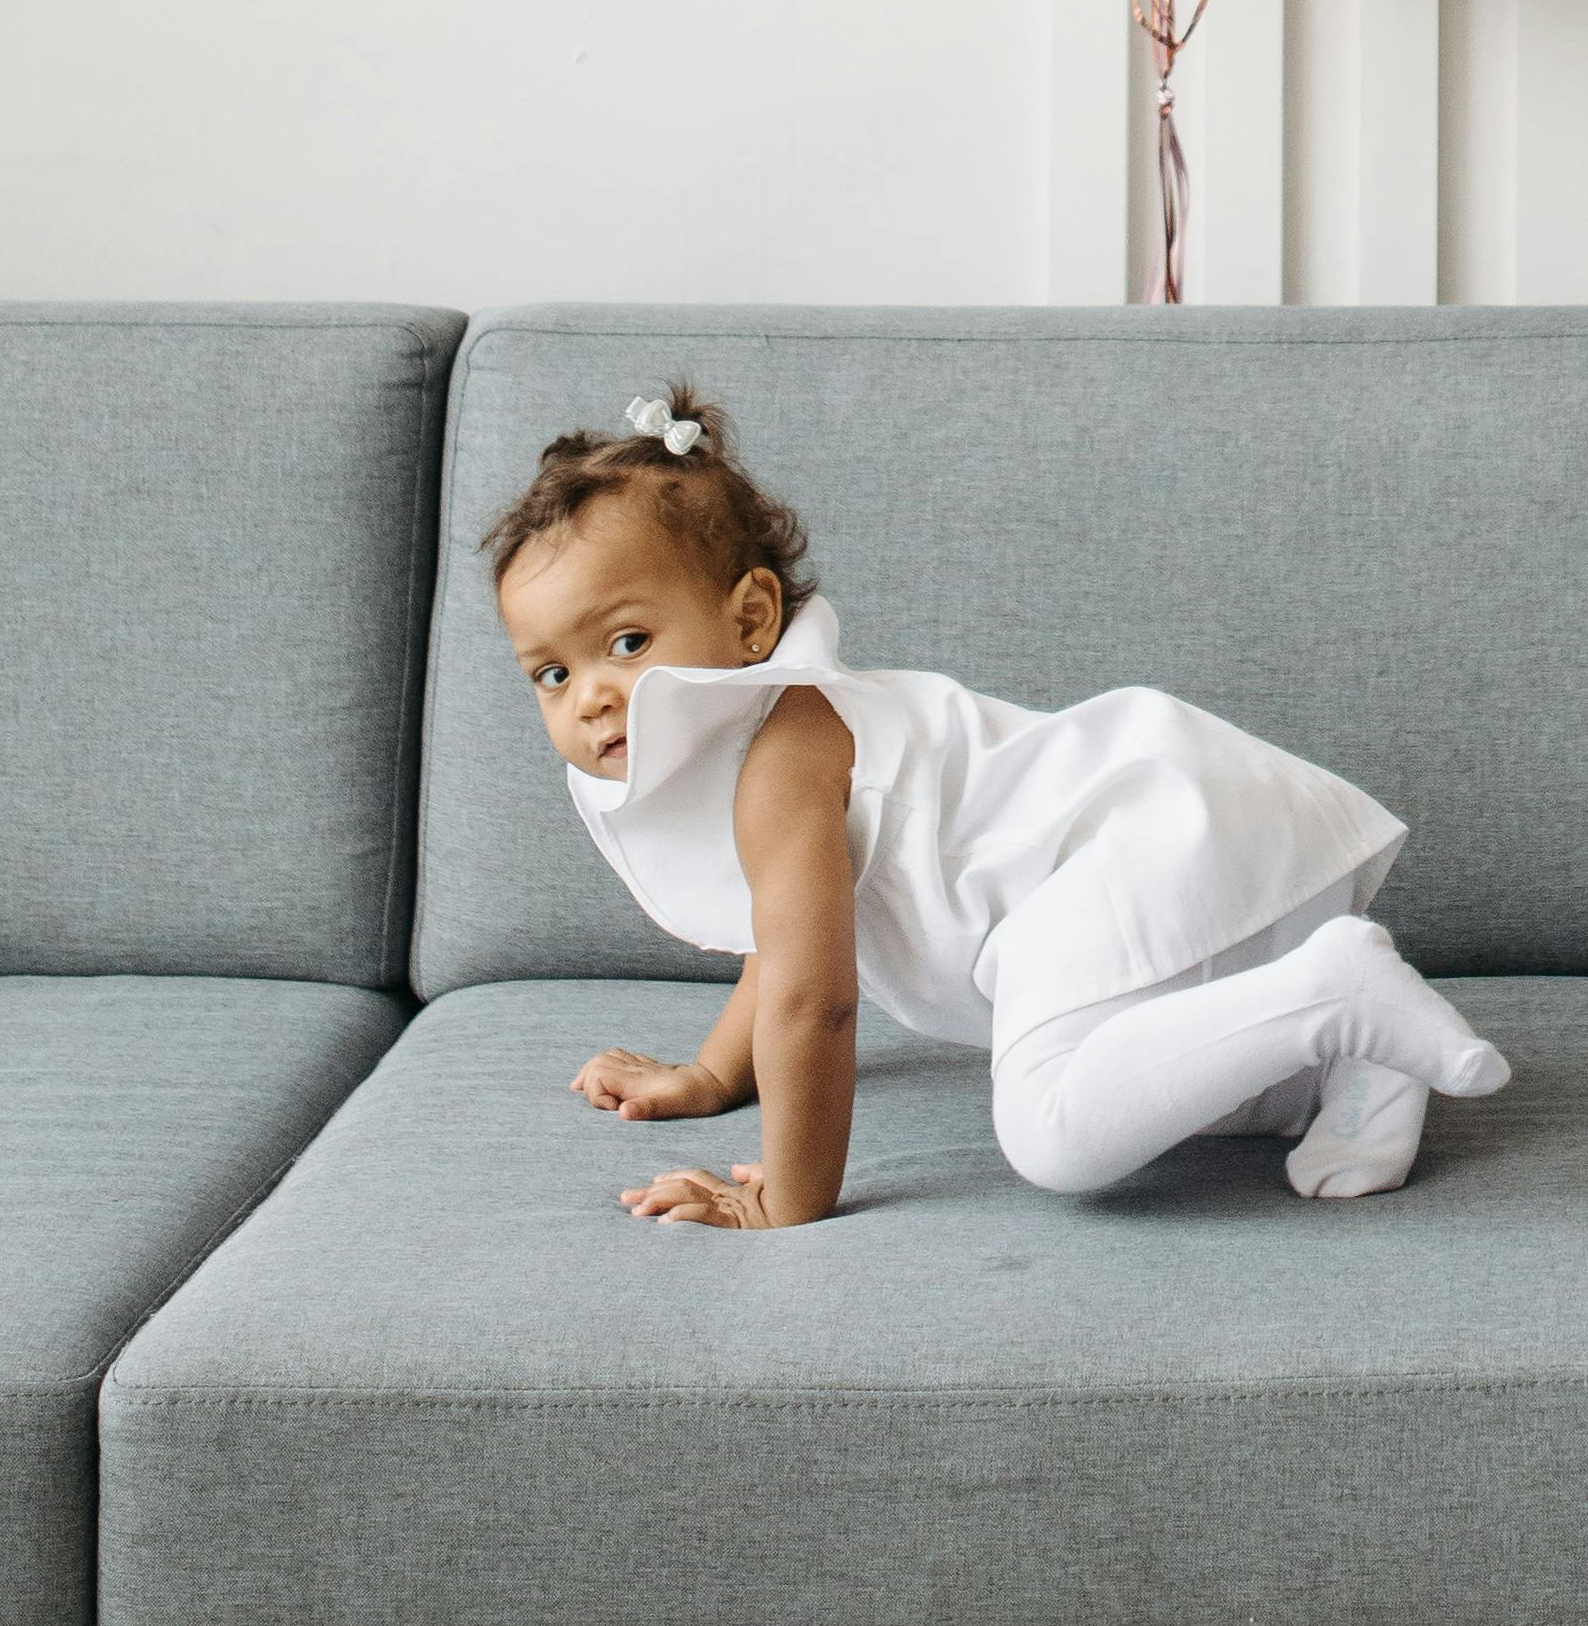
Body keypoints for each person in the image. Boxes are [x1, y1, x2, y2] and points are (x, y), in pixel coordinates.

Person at [484, 386, 1507, 1231]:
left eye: (625, 643)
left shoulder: (785, 755)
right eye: (550, 673)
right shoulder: (764, 746)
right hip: (1179, 851)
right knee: (1176, 1095)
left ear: (751, 619)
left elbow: (814, 997)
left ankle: (1336, 985)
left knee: (1054, 1134)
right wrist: (715, 1071)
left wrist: (785, 1203)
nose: (590, 696)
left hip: (1119, 852)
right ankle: (1350, 1055)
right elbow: (782, 934)